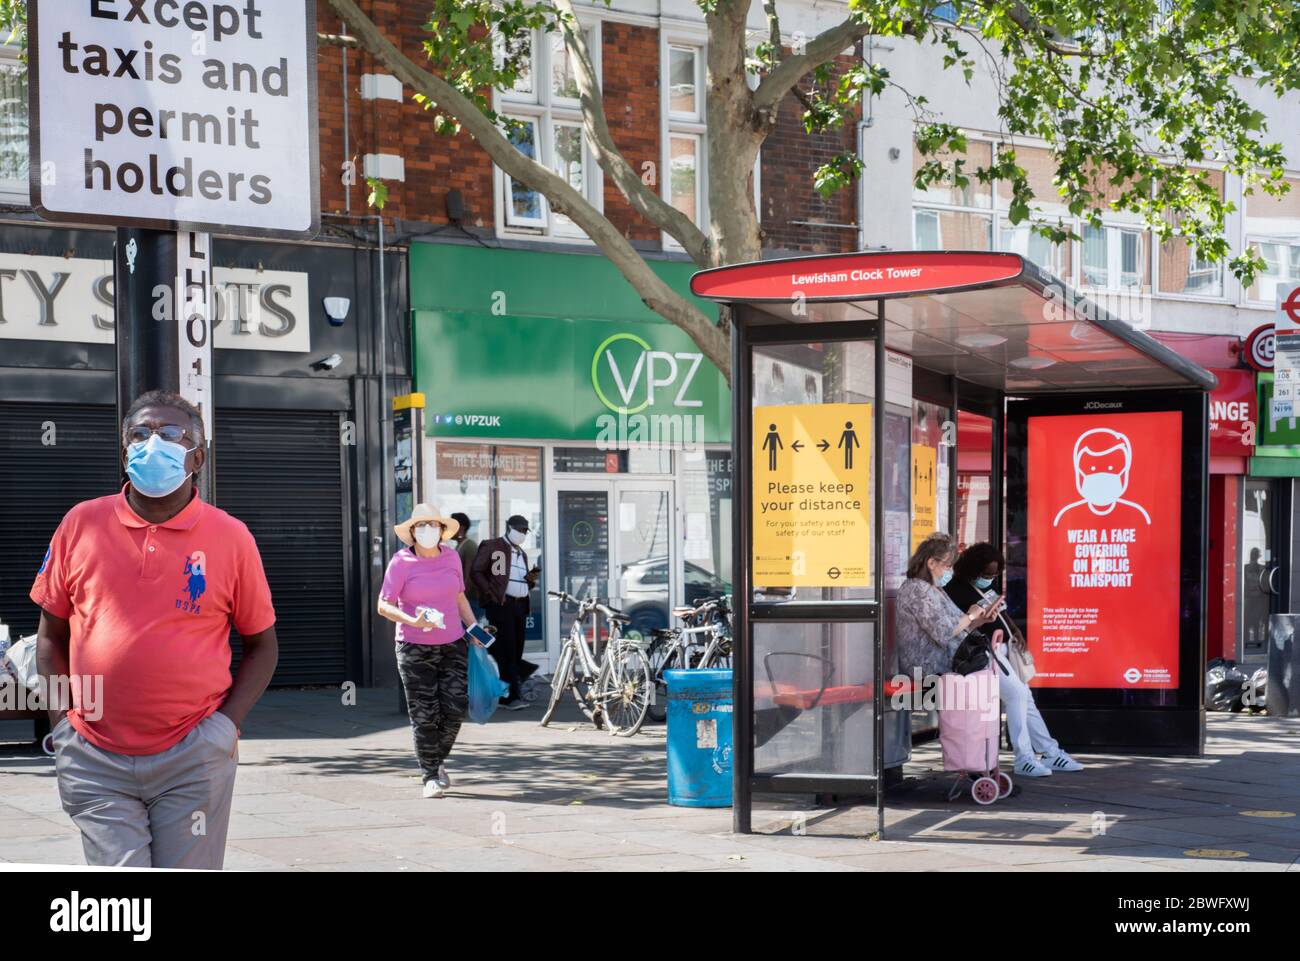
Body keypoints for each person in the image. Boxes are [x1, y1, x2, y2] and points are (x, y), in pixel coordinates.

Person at [31, 390, 278, 869]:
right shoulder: (81, 523)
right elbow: (50, 637)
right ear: (125, 452)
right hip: (94, 754)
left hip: (193, 755)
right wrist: (62, 725)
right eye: (139, 435)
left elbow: (262, 646)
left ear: (197, 457)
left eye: (170, 434)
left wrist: (225, 728)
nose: (152, 444)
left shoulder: (231, 537)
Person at [946, 542, 1084, 777]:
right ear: (973, 569)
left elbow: (1001, 610)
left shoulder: (981, 587)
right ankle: (1024, 757)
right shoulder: (956, 589)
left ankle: (1050, 751)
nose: (990, 578)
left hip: (1001, 649)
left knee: (1025, 699)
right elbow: (962, 624)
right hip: (983, 653)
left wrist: (1014, 630)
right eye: (986, 574)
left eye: (994, 574)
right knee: (1018, 696)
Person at [380, 504, 482, 798]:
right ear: (412, 532)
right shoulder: (400, 562)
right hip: (413, 647)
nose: (428, 531)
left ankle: (436, 761)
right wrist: (411, 619)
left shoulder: (450, 556)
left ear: (441, 531)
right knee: (424, 715)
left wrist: (474, 629)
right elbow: (384, 604)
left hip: (452, 644)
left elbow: (459, 596)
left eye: (433, 525)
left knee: (455, 708)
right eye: (421, 526)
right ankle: (430, 775)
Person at [895, 532, 1002, 682]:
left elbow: (957, 628)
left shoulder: (935, 589)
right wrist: (970, 615)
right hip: (927, 675)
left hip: (947, 671)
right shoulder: (917, 590)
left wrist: (980, 620)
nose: (949, 571)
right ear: (931, 563)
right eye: (947, 566)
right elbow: (945, 631)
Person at [471, 515, 536, 711]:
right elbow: (476, 571)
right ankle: (510, 696)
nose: (522, 533)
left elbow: (521, 581)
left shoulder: (521, 553)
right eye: (520, 529)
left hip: (519, 606)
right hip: (501, 605)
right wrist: (491, 594)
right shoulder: (492, 546)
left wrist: (530, 579)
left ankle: (511, 689)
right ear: (509, 528)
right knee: (507, 651)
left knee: (515, 651)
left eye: (525, 530)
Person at [451, 512, 481, 618]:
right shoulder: (459, 546)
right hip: (463, 600)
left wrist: (461, 600)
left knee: (468, 633)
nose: (450, 529)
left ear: (461, 528)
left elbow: (470, 575)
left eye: (453, 526)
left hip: (469, 601)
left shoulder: (469, 546)